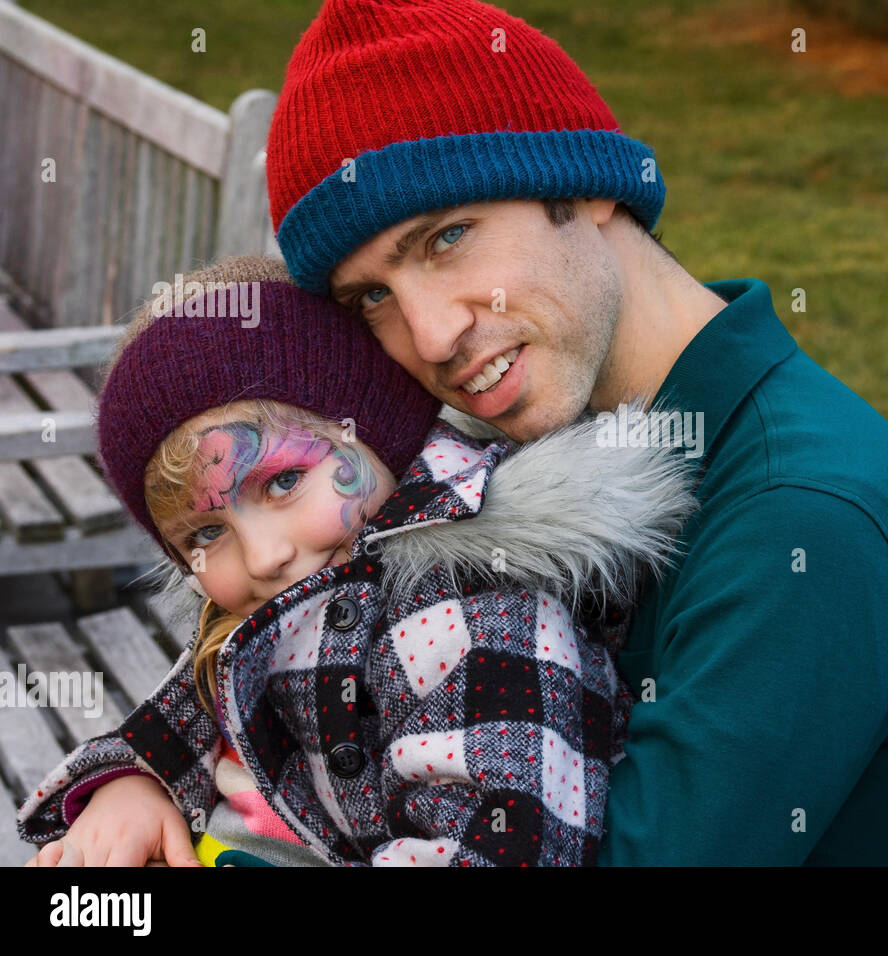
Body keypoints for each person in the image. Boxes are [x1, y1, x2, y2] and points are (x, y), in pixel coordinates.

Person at [262, 0, 888, 864]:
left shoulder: (802, 523)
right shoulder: (533, 454)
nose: (430, 337)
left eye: (448, 238)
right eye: (370, 296)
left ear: (587, 183)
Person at [17, 256, 698, 866]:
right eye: (205, 534)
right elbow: (177, 720)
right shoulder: (269, 605)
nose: (266, 554)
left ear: (380, 429)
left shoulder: (479, 618)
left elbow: (497, 843)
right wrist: (129, 786)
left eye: (283, 482)